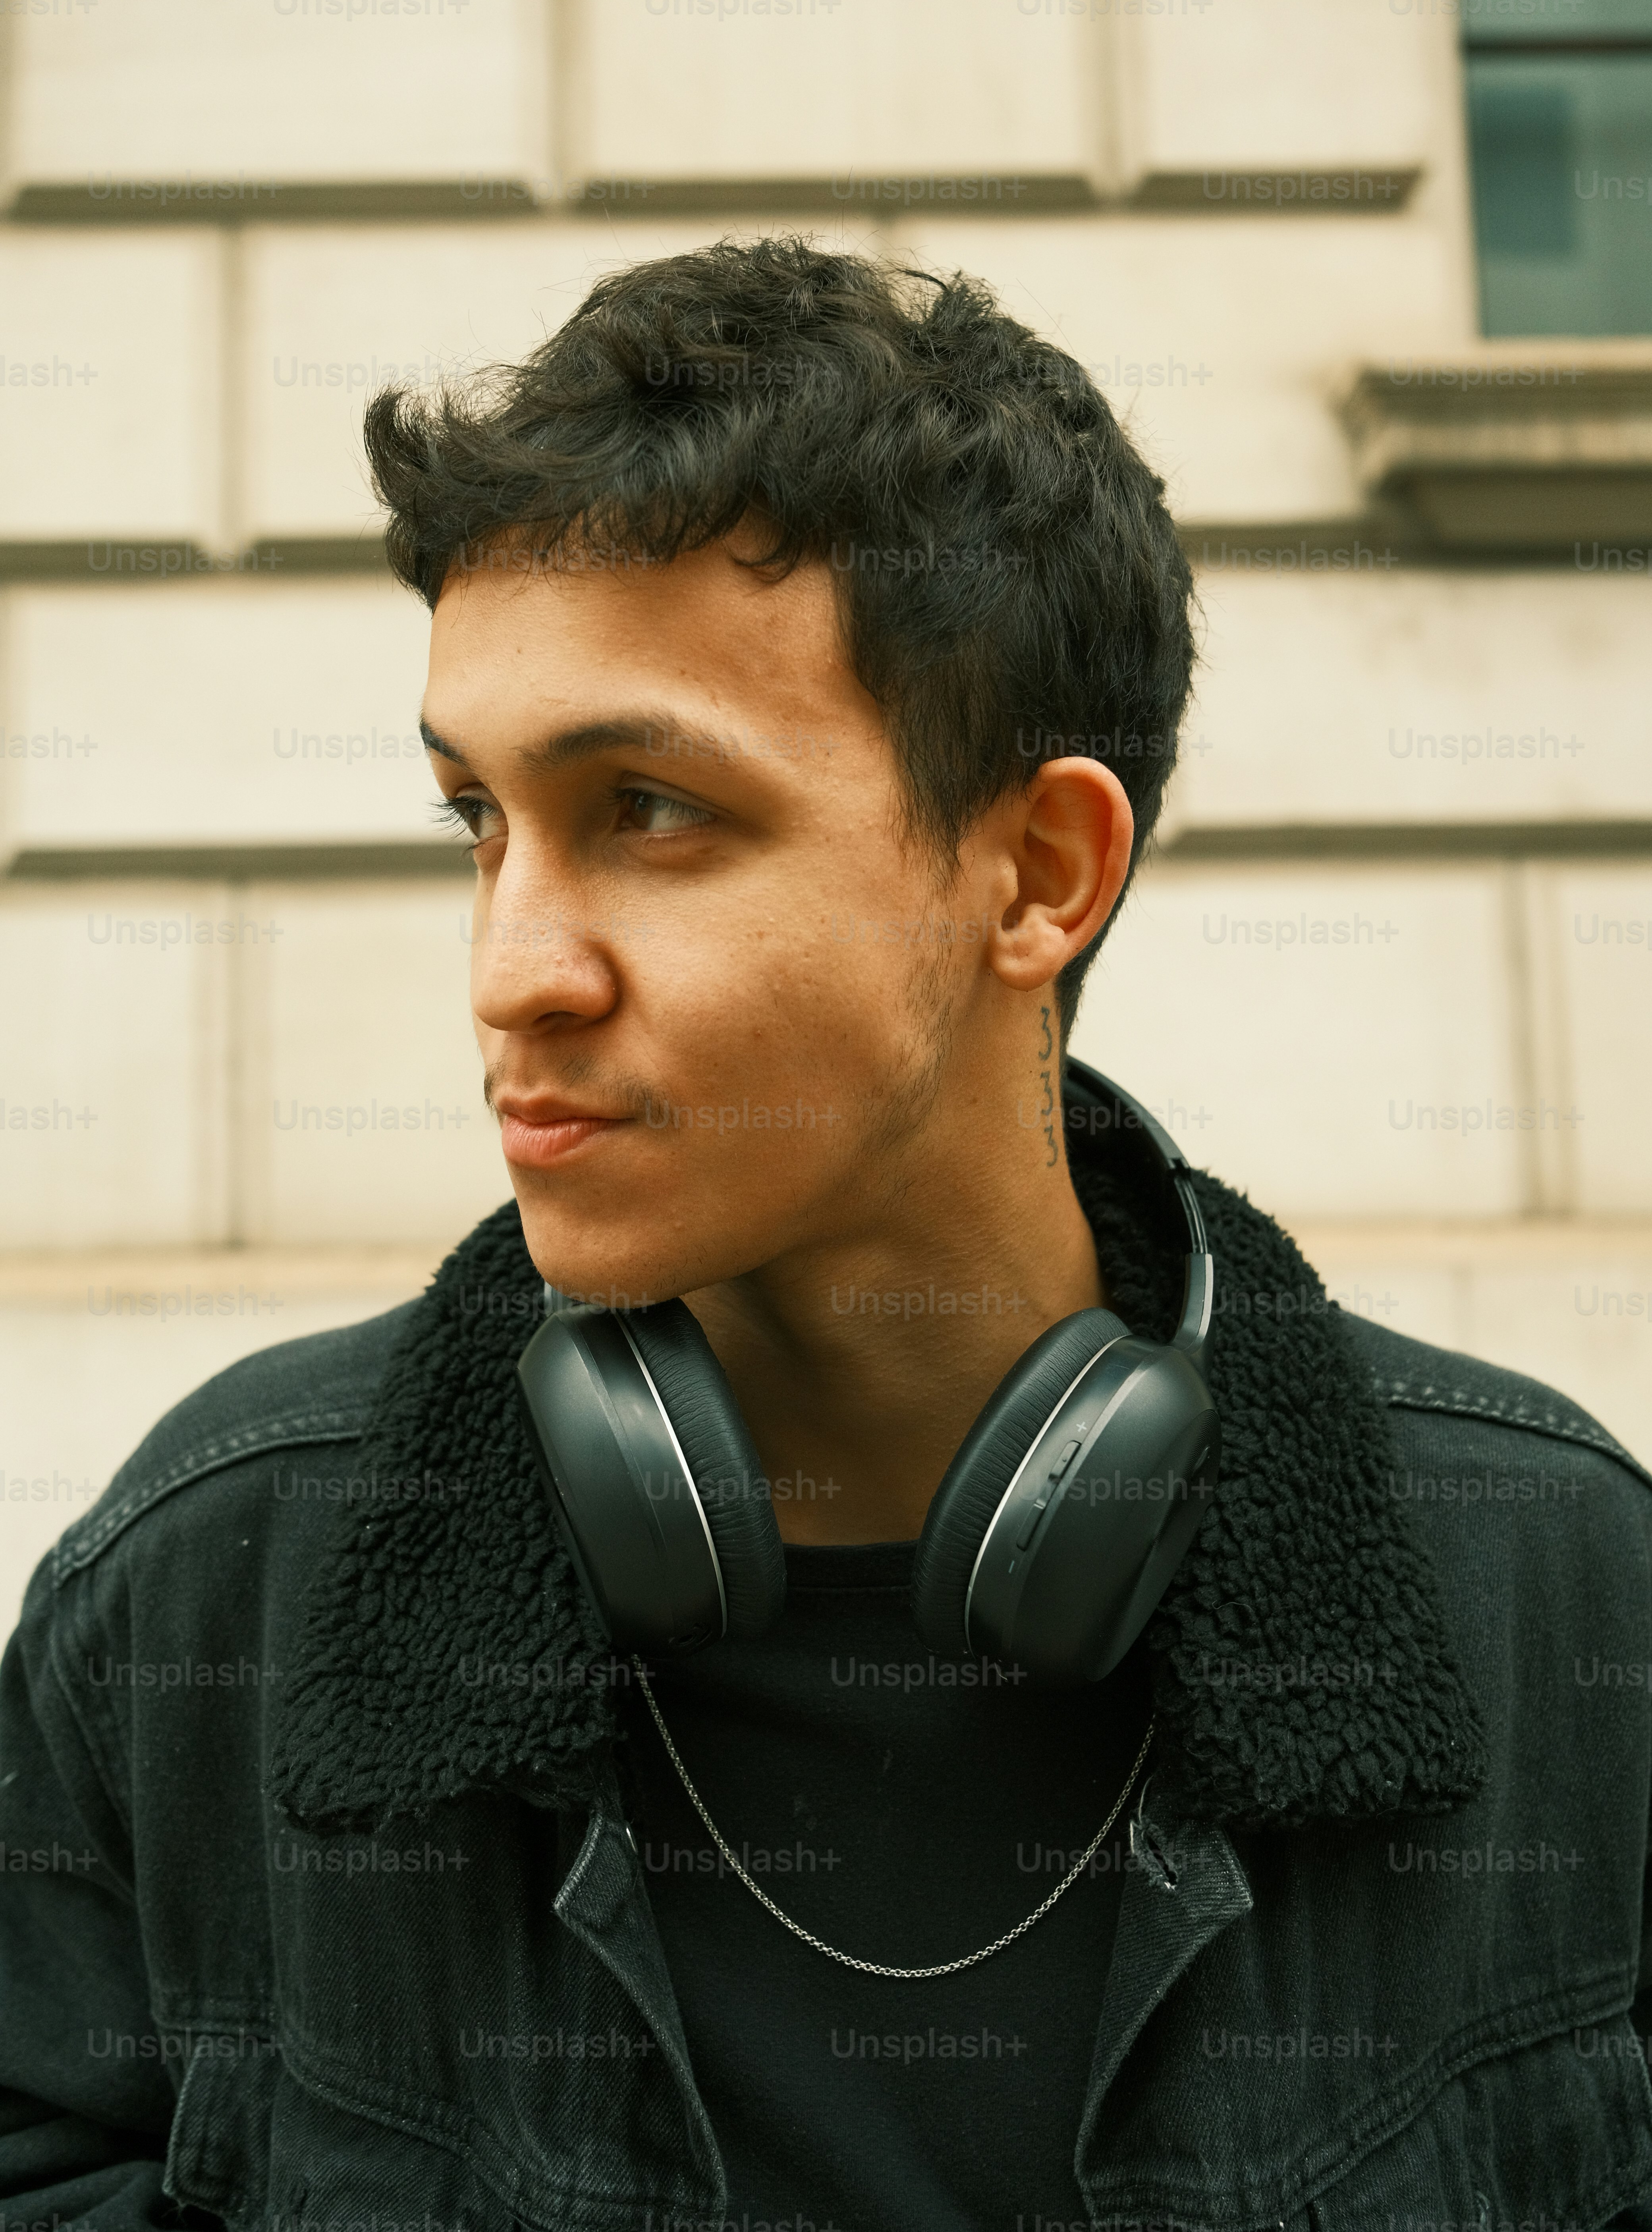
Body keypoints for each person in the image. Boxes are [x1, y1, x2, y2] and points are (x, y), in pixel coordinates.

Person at [2, 238, 1648, 2232]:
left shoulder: (1558, 1603)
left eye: (648, 810)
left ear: (1035, 872)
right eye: (477, 819)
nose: (511, 970)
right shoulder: (206, 1600)